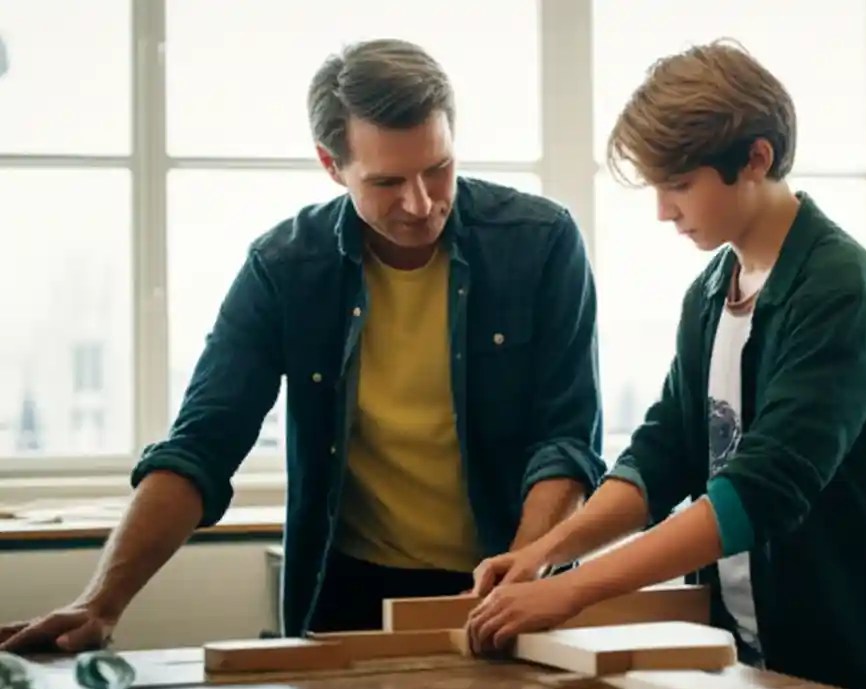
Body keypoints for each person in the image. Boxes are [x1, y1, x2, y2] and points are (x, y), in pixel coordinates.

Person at [0, 39, 604, 653]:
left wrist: (527, 566)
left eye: (438, 169)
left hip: (512, 581)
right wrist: (100, 602)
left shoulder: (542, 242)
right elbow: (203, 444)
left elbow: (568, 440)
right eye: (388, 181)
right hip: (350, 592)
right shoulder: (284, 267)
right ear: (330, 163)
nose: (421, 204)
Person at [463, 40, 866, 689]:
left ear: (756, 158)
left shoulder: (838, 290)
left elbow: (759, 493)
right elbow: (663, 454)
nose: (663, 210)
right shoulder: (712, 289)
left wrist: (572, 588)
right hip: (759, 654)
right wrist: (546, 553)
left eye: (679, 185)